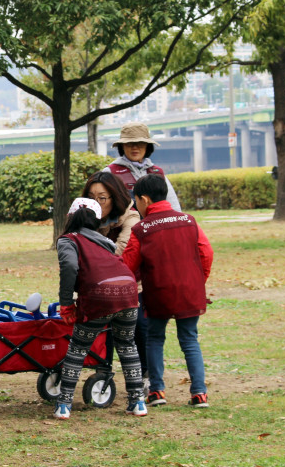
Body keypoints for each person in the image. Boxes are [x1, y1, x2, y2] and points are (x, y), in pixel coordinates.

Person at [122, 174, 214, 409]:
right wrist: (198, 281)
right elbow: (206, 252)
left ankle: (157, 390)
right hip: (189, 291)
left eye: (136, 202)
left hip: (158, 292)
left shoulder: (141, 229)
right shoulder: (189, 220)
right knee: (190, 339)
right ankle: (199, 393)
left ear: (144, 199)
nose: (136, 207)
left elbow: (129, 264)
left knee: (155, 338)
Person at [54, 197, 146, 419]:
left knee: (78, 348)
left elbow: (69, 267)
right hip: (129, 292)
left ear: (69, 217)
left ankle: (64, 404)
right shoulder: (105, 242)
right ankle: (138, 402)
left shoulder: (68, 240)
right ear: (97, 222)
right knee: (127, 344)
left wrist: (66, 303)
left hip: (100, 296)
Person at [81, 171, 148, 382]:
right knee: (102, 331)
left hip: (131, 285)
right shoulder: (85, 217)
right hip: (98, 286)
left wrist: (90, 255)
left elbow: (120, 251)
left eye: (102, 198)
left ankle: (146, 375)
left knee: (137, 330)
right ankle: (103, 372)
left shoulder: (132, 216)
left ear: (114, 197)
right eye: (91, 198)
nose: (96, 203)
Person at [103, 122, 181, 212]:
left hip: (157, 224)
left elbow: (174, 206)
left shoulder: (157, 172)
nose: (135, 147)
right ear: (122, 146)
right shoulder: (110, 172)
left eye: (140, 143)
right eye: (130, 143)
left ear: (147, 146)